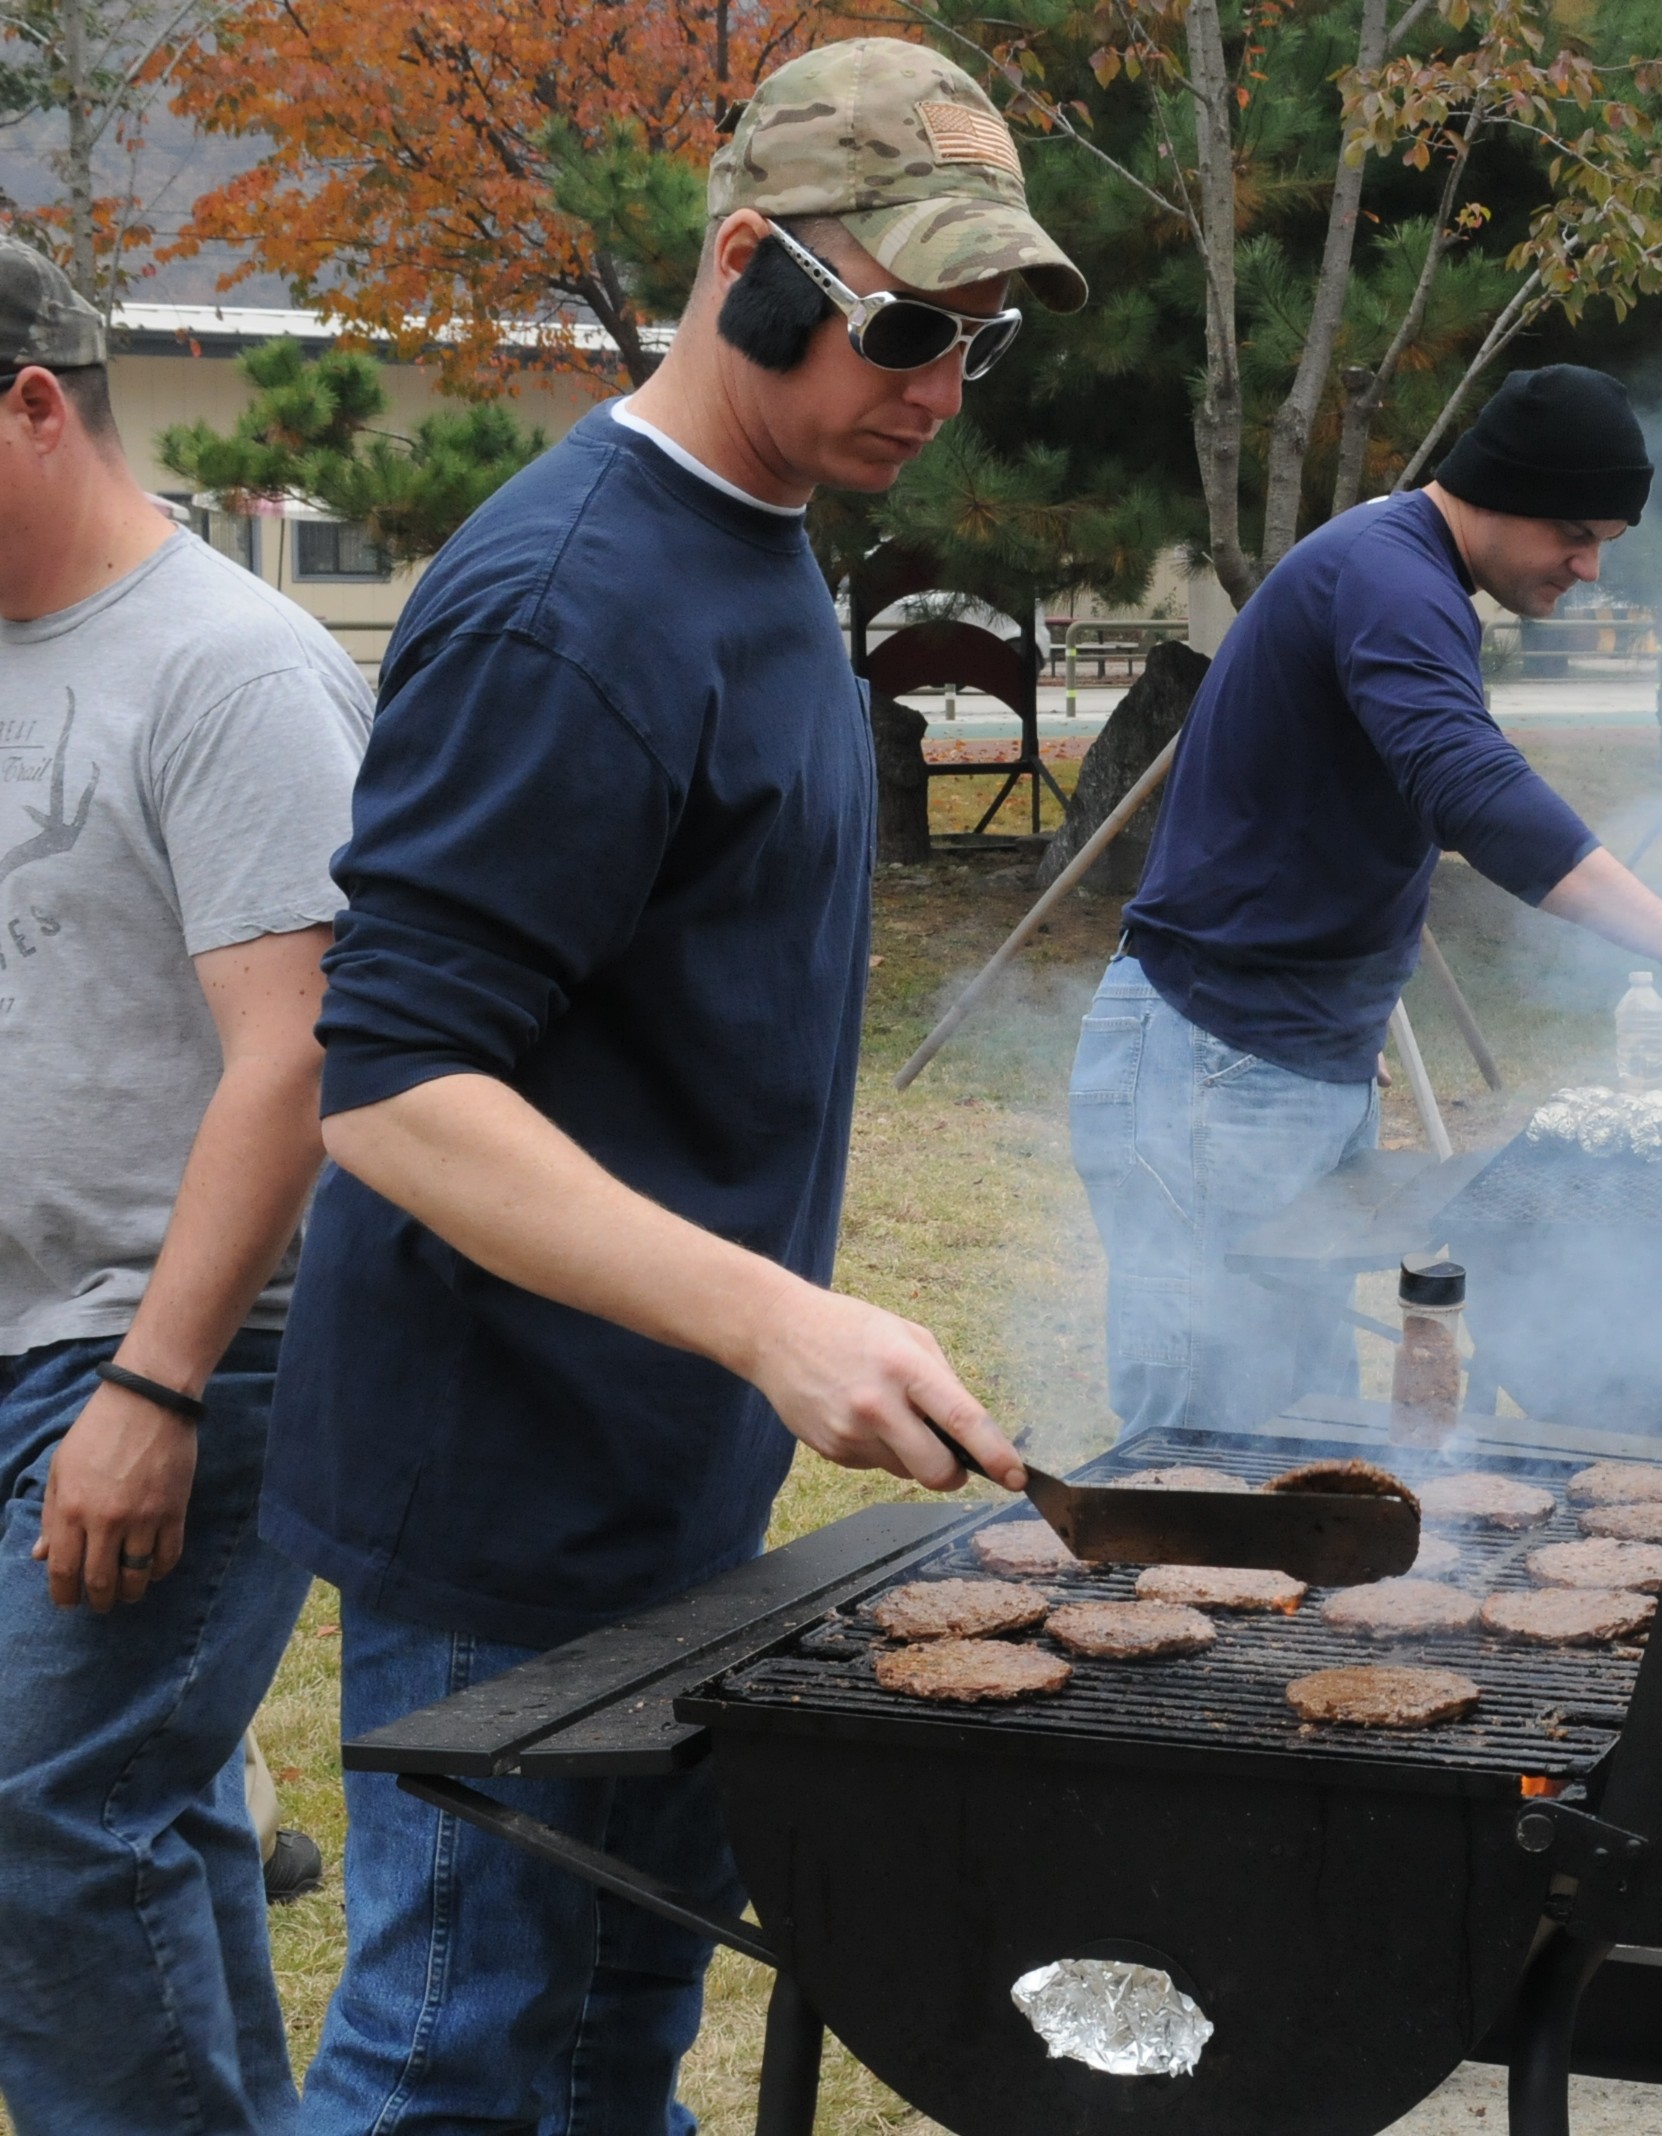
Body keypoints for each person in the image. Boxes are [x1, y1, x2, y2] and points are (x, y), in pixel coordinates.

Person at [259, 40, 1079, 2130]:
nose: (935, 382)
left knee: (625, 2031)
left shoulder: (770, 536)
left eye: (972, 343)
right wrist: (775, 1315)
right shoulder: (570, 606)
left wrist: (756, 1347)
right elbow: (391, 1087)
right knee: (450, 2053)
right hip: (504, 1492)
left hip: (675, 1468)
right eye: (905, 324)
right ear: (748, 263)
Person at [1078, 365, 1662, 1434]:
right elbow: (1472, 789)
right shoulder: (1392, 577)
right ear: (1499, 489)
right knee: (1201, 1440)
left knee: (1295, 1429)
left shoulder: (1396, 573)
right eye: (1575, 531)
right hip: (1212, 1068)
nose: (1591, 568)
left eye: (1607, 540)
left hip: (1281, 1053)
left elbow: (1322, 809)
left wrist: (1340, 1007)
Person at [0, 236, 371, 2134]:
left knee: (43, 1819)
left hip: (176, 1349)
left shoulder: (230, 668)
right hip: (20, 1330)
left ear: (34, 405)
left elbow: (298, 1050)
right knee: (136, 1822)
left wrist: (150, 1388)